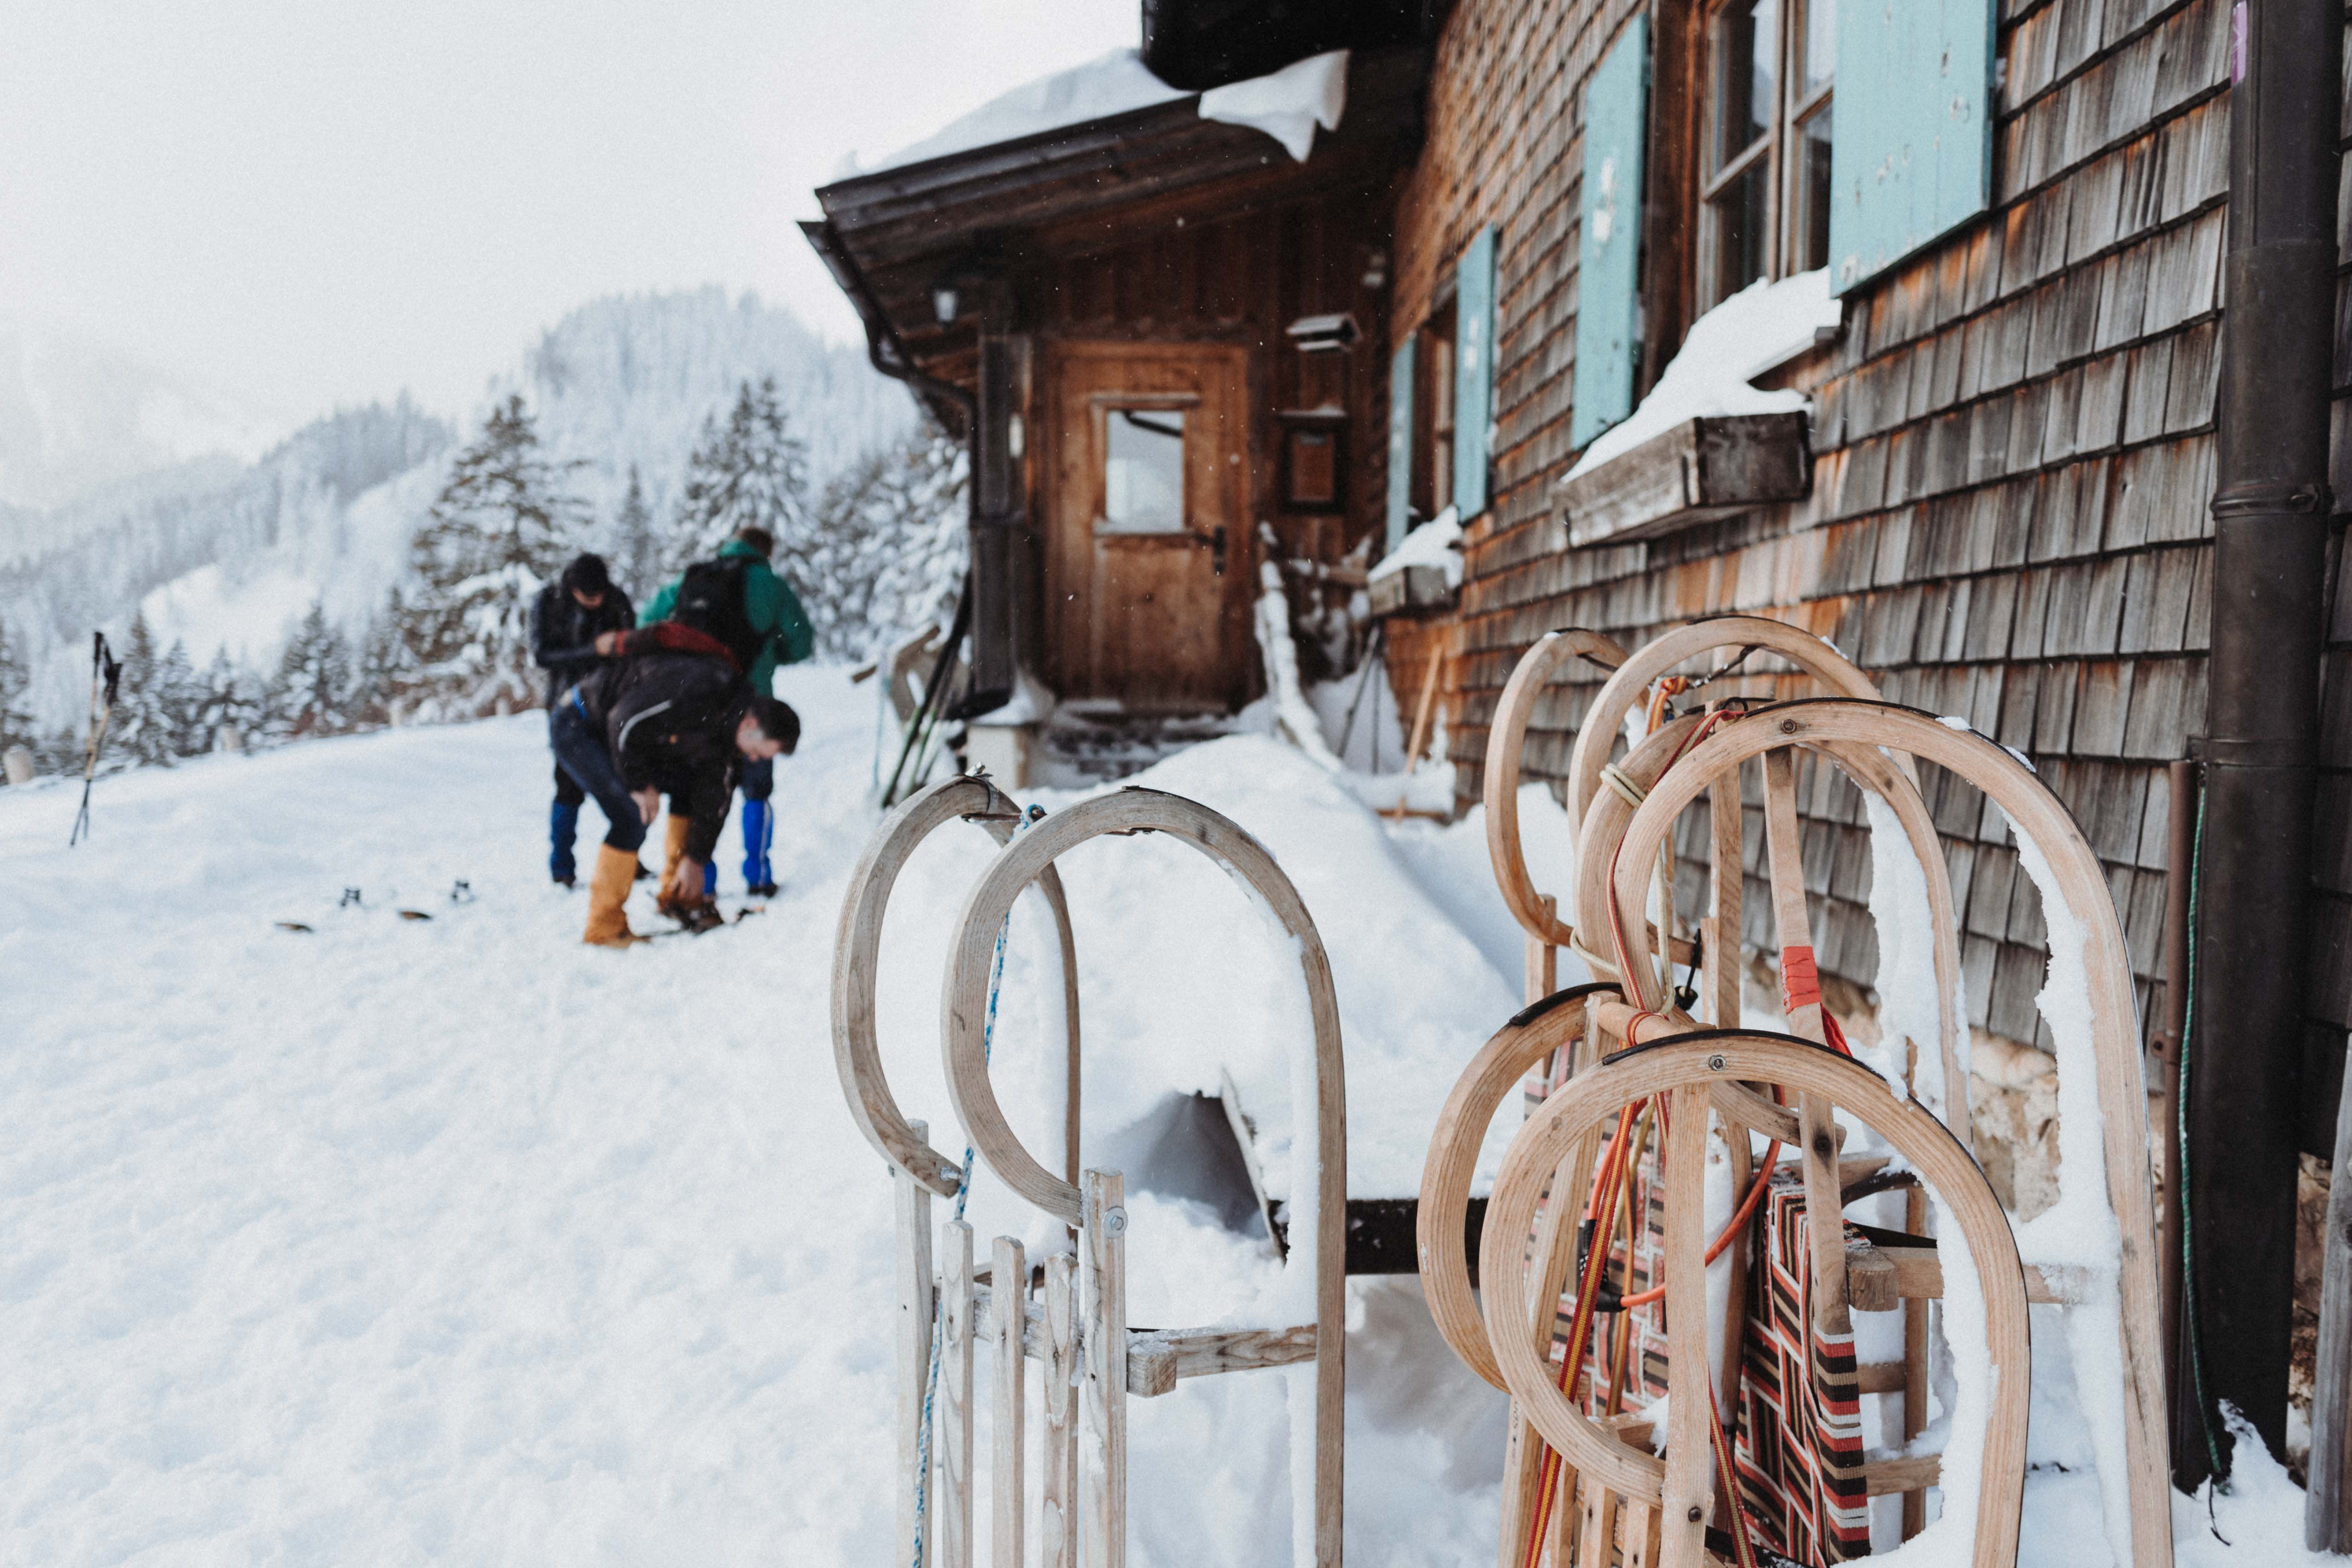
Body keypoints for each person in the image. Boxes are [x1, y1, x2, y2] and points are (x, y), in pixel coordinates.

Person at [551, 628, 800, 947]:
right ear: (751, 725)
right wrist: (639, 784)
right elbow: (623, 721)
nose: (753, 759)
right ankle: (604, 925)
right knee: (630, 815)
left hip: (617, 734)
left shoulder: (726, 734)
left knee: (691, 786)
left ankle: (676, 895)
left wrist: (695, 860)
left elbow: (713, 800)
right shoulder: (704, 687)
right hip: (580, 722)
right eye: (758, 751)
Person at [636, 526, 813, 896]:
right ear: (766, 551)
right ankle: (758, 876)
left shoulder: (696, 577)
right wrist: (770, 651)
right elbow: (802, 642)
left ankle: (703, 882)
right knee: (756, 792)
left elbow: (648, 620)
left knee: (700, 793)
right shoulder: (771, 584)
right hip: (754, 709)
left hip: (697, 708)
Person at [531, 554, 636, 886]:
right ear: (573, 589)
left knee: (620, 782)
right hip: (566, 707)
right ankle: (562, 865)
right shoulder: (549, 601)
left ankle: (627, 851)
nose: (595, 603)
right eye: (587, 598)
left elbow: (632, 646)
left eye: (598, 597)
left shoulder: (617, 600)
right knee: (568, 785)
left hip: (610, 706)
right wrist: (594, 650)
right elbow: (542, 655)